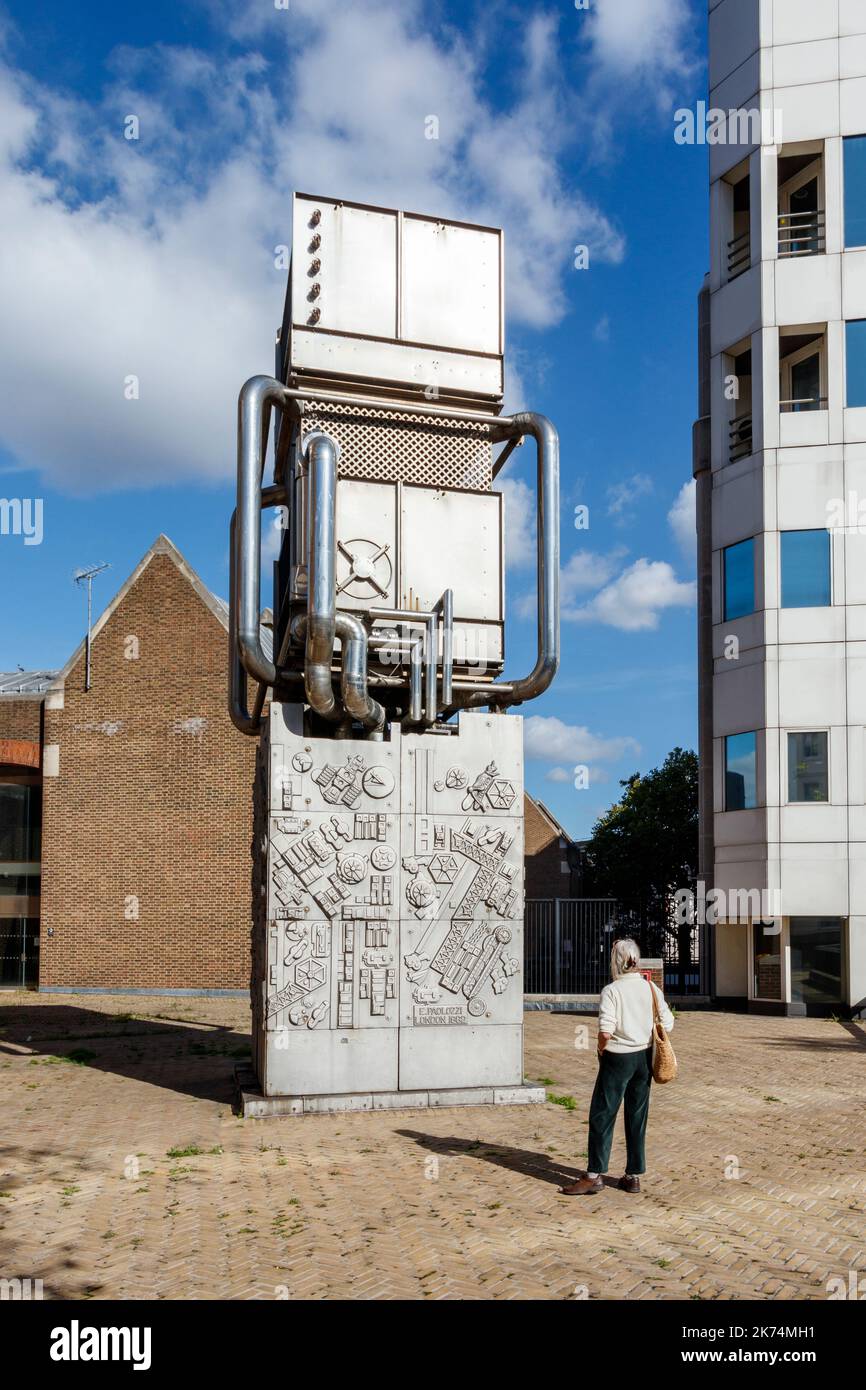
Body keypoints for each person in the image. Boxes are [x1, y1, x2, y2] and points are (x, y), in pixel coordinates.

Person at [560, 937, 674, 1196]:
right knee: (637, 1116)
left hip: (617, 1058)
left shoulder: (612, 990)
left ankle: (594, 1175)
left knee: (602, 1114)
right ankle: (633, 1176)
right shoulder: (651, 988)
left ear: (615, 962)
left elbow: (606, 1030)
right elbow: (667, 1024)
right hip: (644, 1058)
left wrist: (601, 1049)